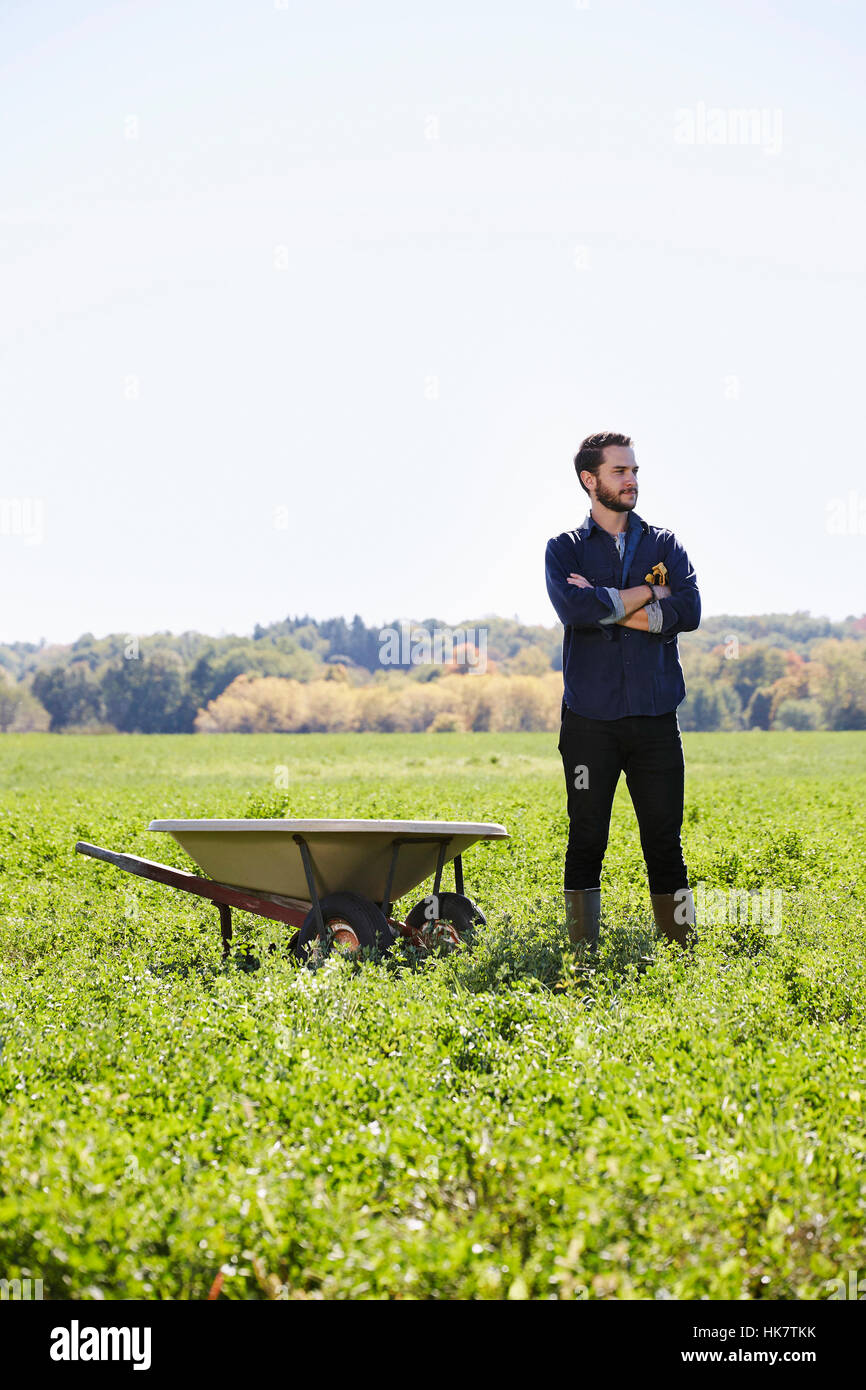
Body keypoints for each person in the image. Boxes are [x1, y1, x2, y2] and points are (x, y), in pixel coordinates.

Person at [544, 430, 701, 951]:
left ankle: (680, 946)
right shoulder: (564, 549)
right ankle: (580, 953)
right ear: (590, 481)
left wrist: (612, 606)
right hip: (590, 722)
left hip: (657, 718)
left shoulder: (665, 544)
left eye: (634, 470)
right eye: (619, 471)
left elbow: (692, 612)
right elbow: (576, 611)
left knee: (665, 839)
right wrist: (652, 596)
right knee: (587, 835)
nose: (631, 479)